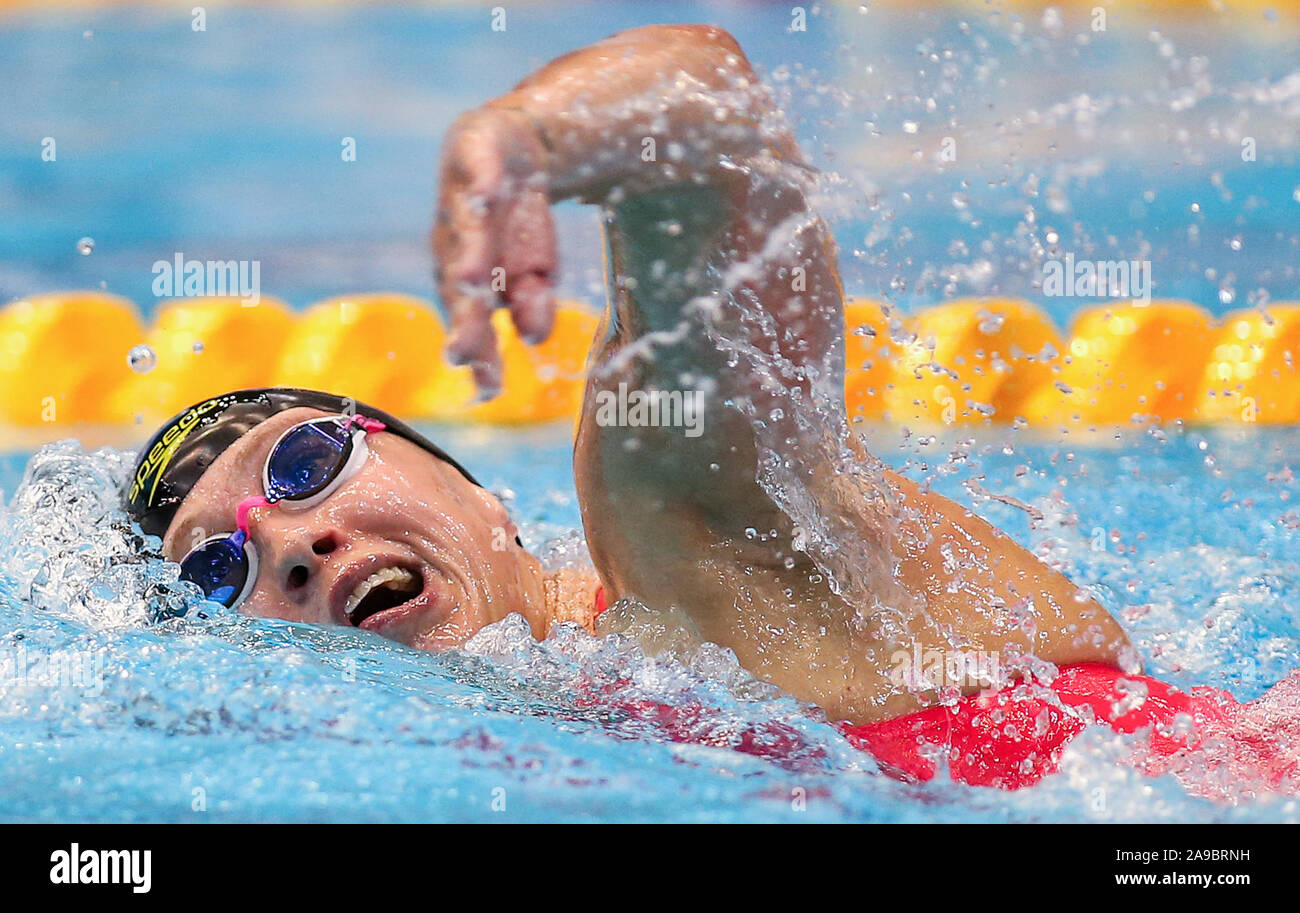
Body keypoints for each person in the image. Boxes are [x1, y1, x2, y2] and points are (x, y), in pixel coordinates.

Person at [124, 25, 1295, 791]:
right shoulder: (575, 701)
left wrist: (518, 146)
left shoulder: (674, 527)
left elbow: (704, 101)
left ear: (474, 483)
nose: (287, 543)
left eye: (305, 462)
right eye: (214, 573)